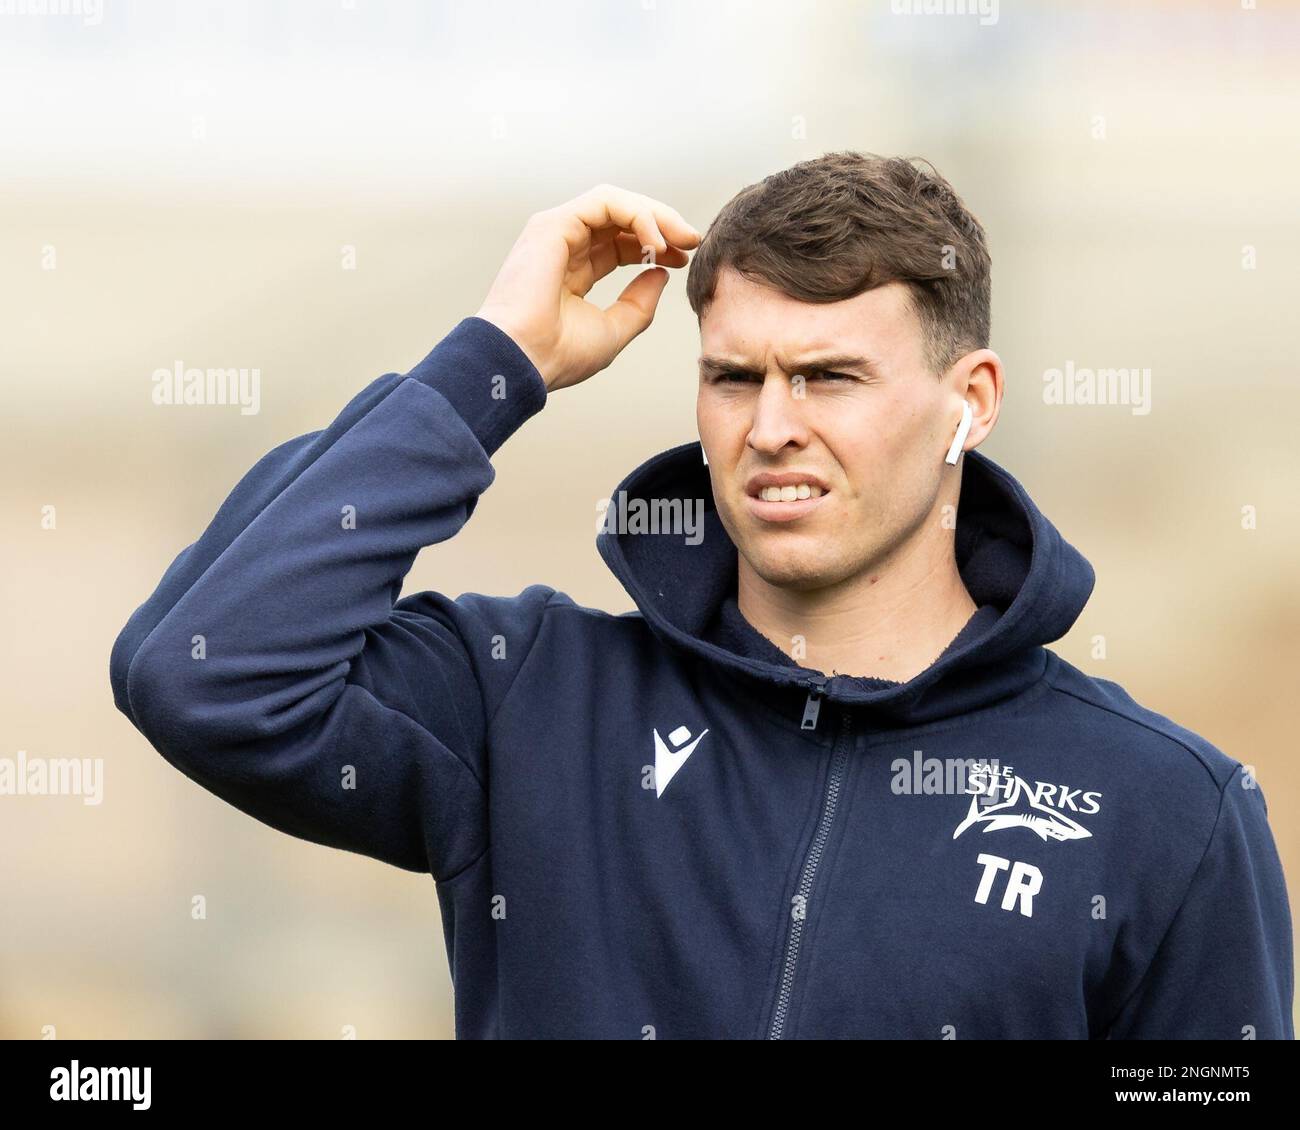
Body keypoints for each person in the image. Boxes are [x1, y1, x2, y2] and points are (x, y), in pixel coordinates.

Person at [110, 153, 1294, 1039]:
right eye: (734, 376)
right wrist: (492, 362)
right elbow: (204, 668)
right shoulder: (530, 699)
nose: (771, 426)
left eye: (830, 376)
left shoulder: (1162, 809)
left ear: (969, 399)